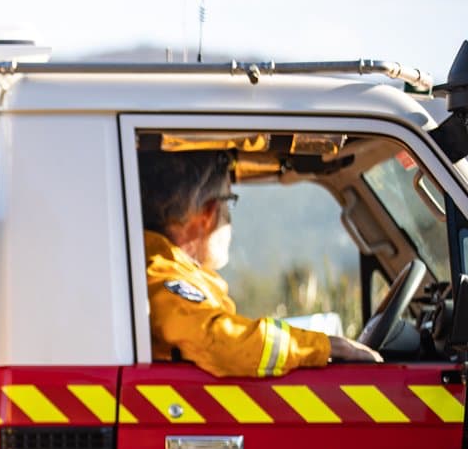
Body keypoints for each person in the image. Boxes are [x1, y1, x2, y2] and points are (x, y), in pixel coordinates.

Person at [139, 149, 381, 376]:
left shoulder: (161, 270)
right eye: (229, 201)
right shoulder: (160, 273)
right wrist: (325, 347)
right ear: (208, 214)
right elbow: (222, 342)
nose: (229, 218)